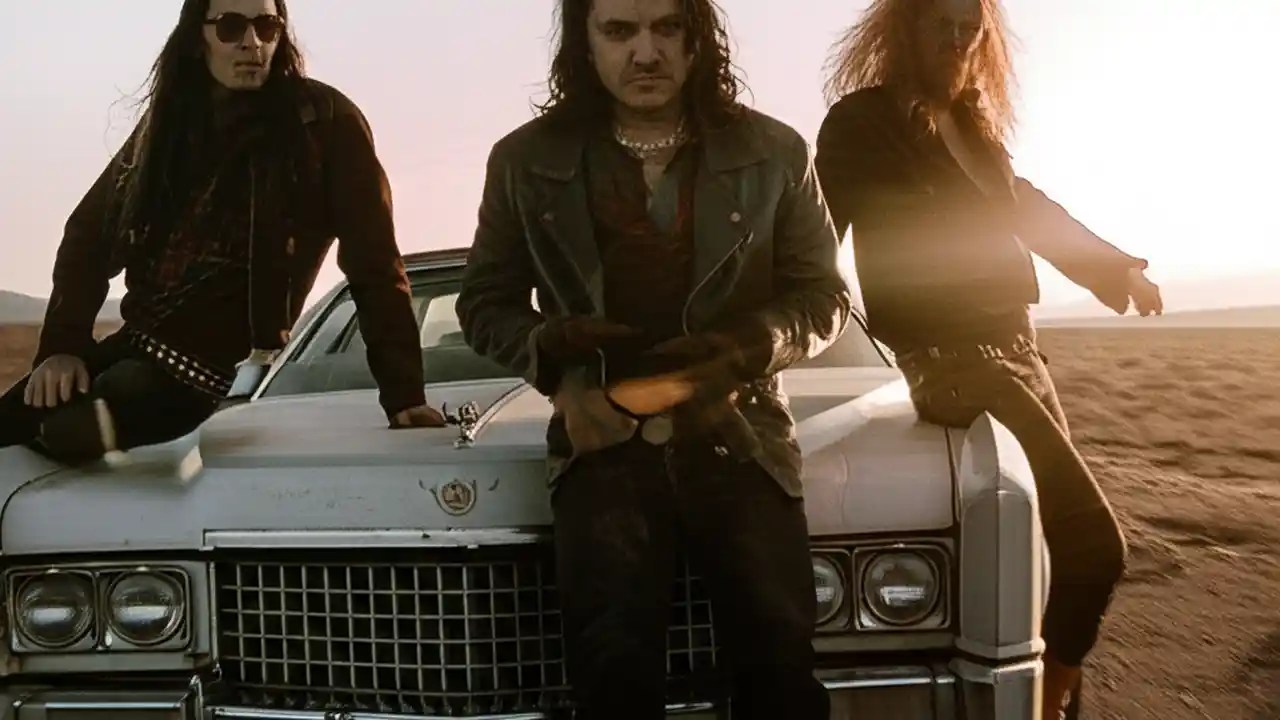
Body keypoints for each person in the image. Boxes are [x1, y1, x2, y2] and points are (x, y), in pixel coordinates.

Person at [456, 0, 851, 715]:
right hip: (601, 439)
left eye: (667, 28)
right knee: (612, 683)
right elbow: (484, 302)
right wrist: (554, 362)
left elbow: (823, 296)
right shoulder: (524, 160)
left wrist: (746, 348)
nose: (646, 52)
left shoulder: (775, 152)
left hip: (743, 435)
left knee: (780, 675)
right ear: (585, 42)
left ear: (698, 42)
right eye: (619, 30)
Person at [813, 0, 1164, 716]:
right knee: (1098, 550)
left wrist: (1115, 269)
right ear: (902, 30)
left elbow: (1027, 208)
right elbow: (811, 237)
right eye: (938, 25)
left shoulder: (975, 129)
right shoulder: (861, 126)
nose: (954, 41)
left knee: (1048, 561)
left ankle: (1049, 699)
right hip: (950, 358)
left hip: (1020, 351)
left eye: (967, 29)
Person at [0, 0, 446, 463]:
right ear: (198, 38)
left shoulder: (323, 122)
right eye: (231, 27)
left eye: (267, 26)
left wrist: (405, 396)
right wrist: (61, 348)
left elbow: (374, 264)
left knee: (73, 428)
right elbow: (88, 236)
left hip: (213, 378)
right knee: (10, 426)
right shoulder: (170, 124)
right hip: (134, 346)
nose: (252, 43)